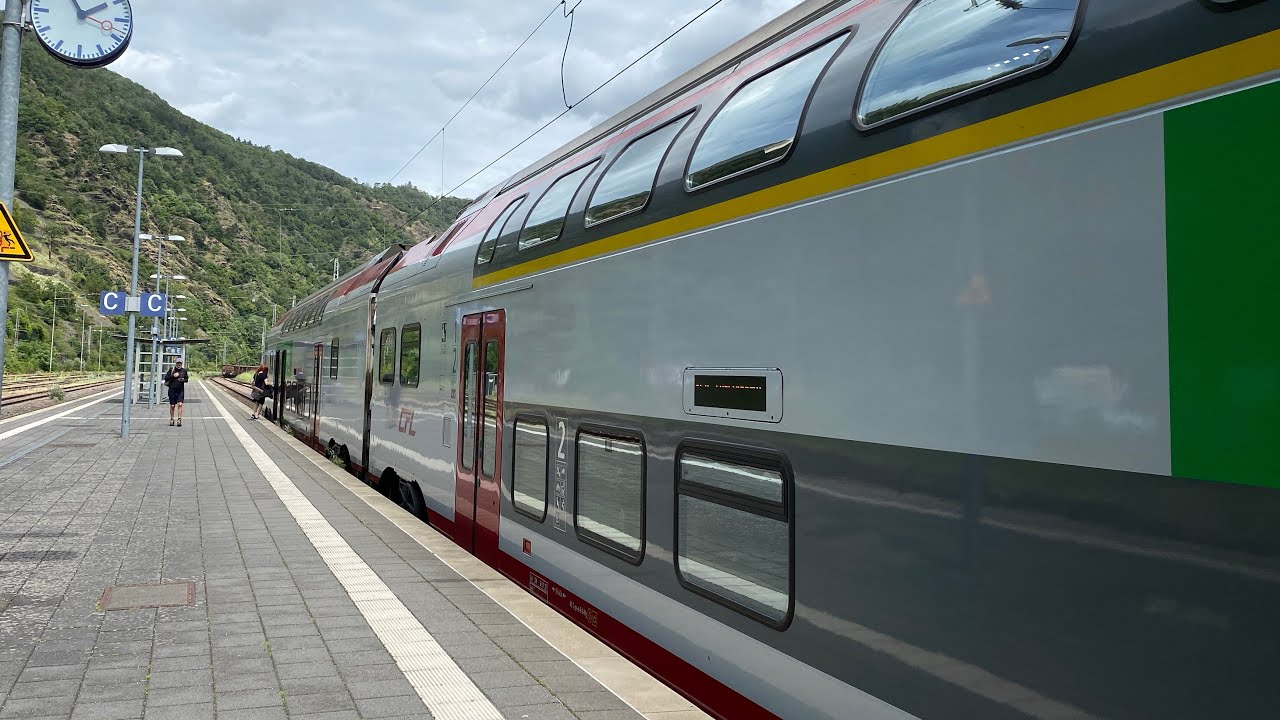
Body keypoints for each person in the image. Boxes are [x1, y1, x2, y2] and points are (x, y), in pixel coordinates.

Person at [163, 359, 190, 427]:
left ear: (181, 364)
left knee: (180, 404)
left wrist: (183, 380)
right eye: (177, 363)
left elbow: (186, 379)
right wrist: (173, 376)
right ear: (175, 363)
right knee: (172, 405)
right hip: (172, 390)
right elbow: (166, 378)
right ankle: (172, 419)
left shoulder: (184, 370)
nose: (178, 364)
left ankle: (179, 419)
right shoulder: (172, 370)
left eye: (180, 363)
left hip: (180, 390)